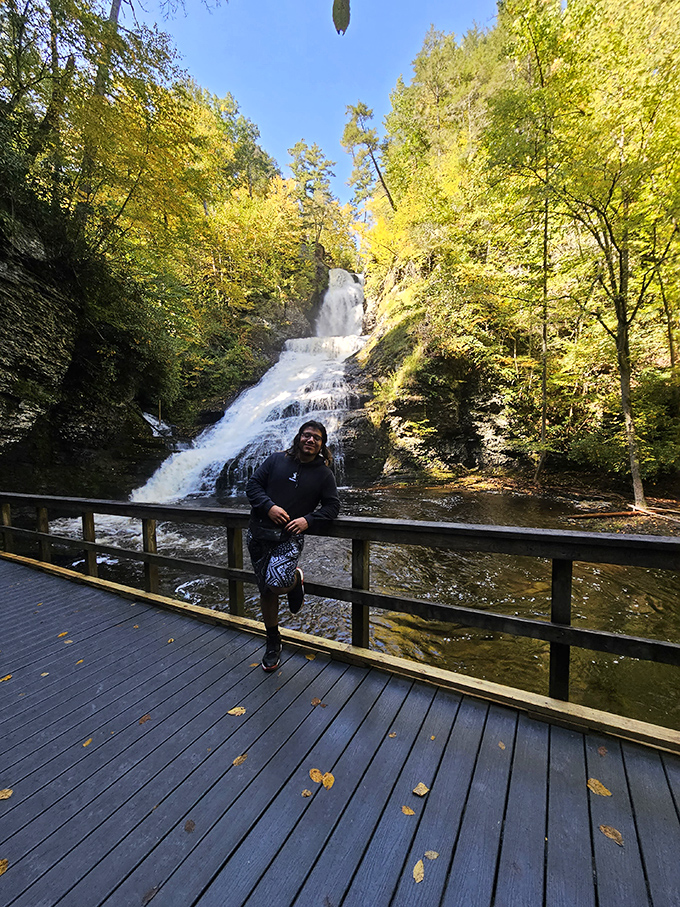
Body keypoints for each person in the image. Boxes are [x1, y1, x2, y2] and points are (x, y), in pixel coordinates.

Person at [246, 420, 340, 672]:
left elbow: (333, 507)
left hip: (289, 537)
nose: (311, 440)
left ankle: (296, 579)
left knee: (276, 583)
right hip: (258, 533)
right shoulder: (276, 460)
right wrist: (269, 506)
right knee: (266, 590)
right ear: (299, 437)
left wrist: (308, 520)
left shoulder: (324, 474)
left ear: (322, 445)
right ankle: (273, 640)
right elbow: (253, 485)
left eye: (317, 438)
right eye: (307, 435)